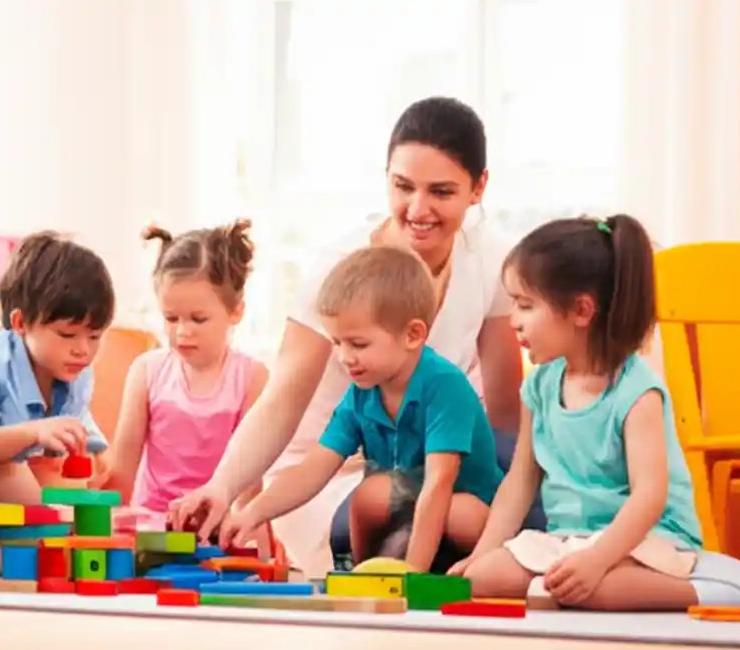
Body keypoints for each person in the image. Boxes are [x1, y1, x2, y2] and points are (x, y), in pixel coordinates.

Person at [171, 96, 528, 577]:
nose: (418, 209)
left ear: (478, 187)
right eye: (403, 186)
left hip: (434, 456)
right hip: (338, 474)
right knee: (385, 503)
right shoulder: (345, 271)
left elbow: (506, 415)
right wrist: (226, 488)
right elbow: (283, 401)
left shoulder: (490, 261)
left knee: (531, 510)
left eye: (441, 192)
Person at [452, 215, 703, 609]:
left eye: (525, 305)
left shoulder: (637, 392)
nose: (513, 320)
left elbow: (649, 497)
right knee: (485, 578)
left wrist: (598, 560)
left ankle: (712, 588)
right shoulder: (539, 386)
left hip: (648, 538)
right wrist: (480, 554)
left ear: (581, 311)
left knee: (597, 590)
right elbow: (519, 484)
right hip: (569, 539)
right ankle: (570, 583)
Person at [222, 246, 503, 572]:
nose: (344, 357)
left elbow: (439, 485)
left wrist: (412, 575)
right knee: (370, 494)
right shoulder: (362, 393)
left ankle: (416, 570)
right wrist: (253, 513)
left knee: (458, 514)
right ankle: (362, 569)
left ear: (412, 335)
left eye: (358, 344)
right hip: (409, 504)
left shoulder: (444, 386)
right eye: (338, 343)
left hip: (465, 507)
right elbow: (314, 468)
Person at [0, 232, 114, 505]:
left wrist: (95, 451)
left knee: (77, 476)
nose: (83, 350)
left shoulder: (74, 370)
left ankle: (54, 529)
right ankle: (46, 532)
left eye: (95, 336)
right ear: (21, 323)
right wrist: (36, 431)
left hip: (22, 469)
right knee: (1, 468)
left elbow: (75, 422)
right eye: (67, 335)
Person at [105, 219, 268, 520]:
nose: (182, 331)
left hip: (218, 523)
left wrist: (250, 534)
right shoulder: (146, 372)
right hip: (151, 519)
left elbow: (249, 484)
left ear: (236, 310)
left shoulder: (252, 377)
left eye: (198, 319)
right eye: (171, 318)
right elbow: (122, 472)